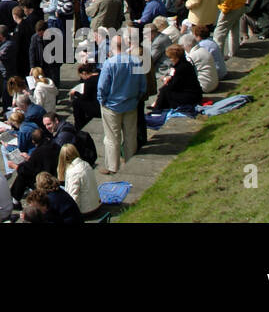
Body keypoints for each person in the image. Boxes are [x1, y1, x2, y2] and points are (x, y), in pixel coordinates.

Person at [96, 34, 146, 175]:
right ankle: (131, 163)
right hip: (131, 103)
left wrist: (102, 100)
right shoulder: (136, 61)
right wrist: (136, 98)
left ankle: (113, 167)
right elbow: (143, 85)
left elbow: (102, 87)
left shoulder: (109, 64)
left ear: (112, 47)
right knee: (130, 135)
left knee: (112, 138)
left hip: (112, 106)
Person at [151, 44, 204, 110]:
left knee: (165, 90)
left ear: (176, 57)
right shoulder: (185, 64)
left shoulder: (181, 68)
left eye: (171, 58)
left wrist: (166, 81)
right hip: (193, 93)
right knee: (165, 90)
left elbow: (173, 86)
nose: (170, 60)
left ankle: (157, 107)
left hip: (191, 96)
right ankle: (157, 104)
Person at [57, 143, 100, 217]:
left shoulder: (72, 172)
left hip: (86, 210)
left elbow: (73, 198)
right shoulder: (85, 164)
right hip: (95, 204)